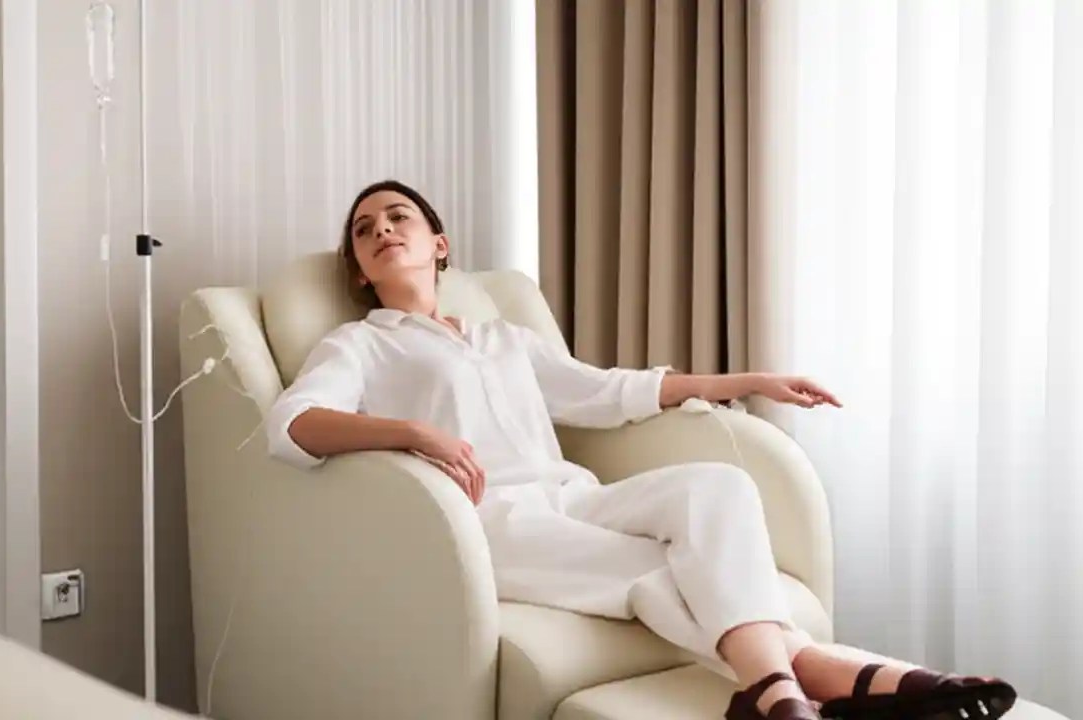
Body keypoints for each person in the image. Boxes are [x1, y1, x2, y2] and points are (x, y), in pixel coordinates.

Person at [264, 179, 1016, 720]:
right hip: (487, 521)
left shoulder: (503, 338)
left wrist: (751, 381)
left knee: (718, 488)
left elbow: (609, 391)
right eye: (364, 230)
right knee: (663, 570)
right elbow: (293, 424)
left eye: (398, 217)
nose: (382, 230)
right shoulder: (360, 344)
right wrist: (413, 432)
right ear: (359, 270)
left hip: (574, 496)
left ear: (439, 245)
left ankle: (784, 696)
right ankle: (836, 688)